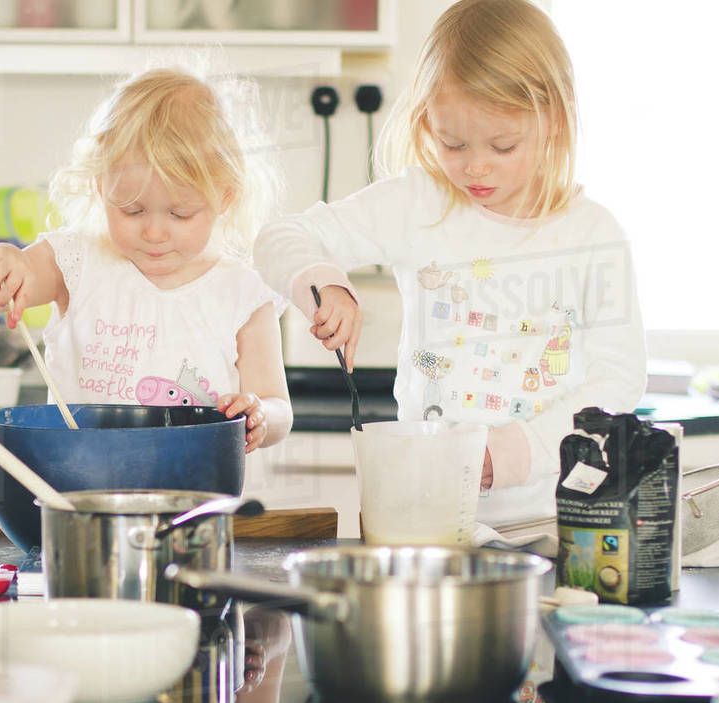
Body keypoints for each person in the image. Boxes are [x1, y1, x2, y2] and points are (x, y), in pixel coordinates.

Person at [252, 0, 646, 524]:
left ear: (553, 120)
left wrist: (512, 452)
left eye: (503, 145)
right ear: (426, 121)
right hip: (426, 513)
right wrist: (325, 283)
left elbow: (618, 385)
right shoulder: (418, 204)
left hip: (555, 518)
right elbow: (279, 237)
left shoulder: (593, 234)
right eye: (452, 142)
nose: (475, 167)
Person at [0, 66, 292, 453]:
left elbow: (277, 405)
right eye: (132, 210)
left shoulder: (243, 293)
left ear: (224, 196)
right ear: (101, 187)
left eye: (180, 214)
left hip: (194, 496)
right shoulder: (76, 262)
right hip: (80, 488)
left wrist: (260, 415)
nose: (154, 232)